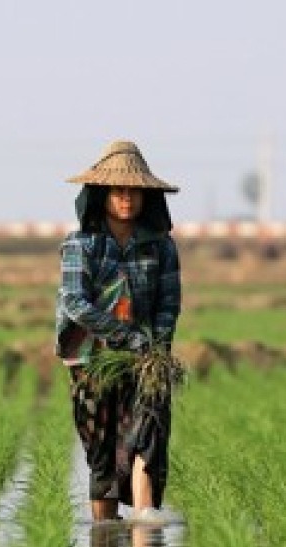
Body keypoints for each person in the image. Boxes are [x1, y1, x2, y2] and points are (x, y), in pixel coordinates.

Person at [56, 140, 182, 523]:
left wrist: (154, 349)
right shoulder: (82, 244)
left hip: (146, 360)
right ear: (102, 195)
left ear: (147, 197)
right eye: (118, 191)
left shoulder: (162, 247)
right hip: (92, 360)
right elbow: (76, 304)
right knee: (102, 453)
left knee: (149, 435)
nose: (127, 198)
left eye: (135, 191)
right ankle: (105, 540)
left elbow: (168, 304)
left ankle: (146, 528)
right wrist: (128, 338)